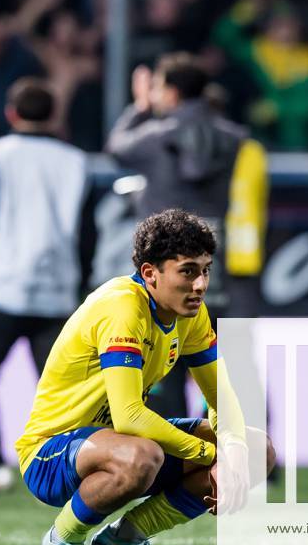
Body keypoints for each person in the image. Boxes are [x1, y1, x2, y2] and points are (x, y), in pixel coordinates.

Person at [17, 209, 274, 545]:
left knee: (257, 450)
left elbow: (221, 396)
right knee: (142, 455)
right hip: (50, 454)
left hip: (121, 443)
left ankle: (124, 540)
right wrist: (213, 455)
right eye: (188, 271)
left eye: (206, 270)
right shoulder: (123, 307)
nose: (200, 284)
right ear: (151, 273)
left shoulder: (190, 313)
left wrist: (233, 449)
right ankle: (61, 540)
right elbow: (130, 416)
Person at [0, 78, 95, 503]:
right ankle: (75, 468)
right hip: (57, 292)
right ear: (54, 115)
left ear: (11, 113)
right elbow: (88, 233)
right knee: (62, 391)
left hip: (3, 287)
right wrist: (82, 283)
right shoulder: (76, 161)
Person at [105, 52, 246, 419]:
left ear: (171, 92)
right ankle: (237, 441)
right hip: (212, 262)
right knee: (218, 357)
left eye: (157, 87)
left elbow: (117, 147)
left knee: (164, 361)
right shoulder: (232, 137)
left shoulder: (156, 136)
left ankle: (180, 444)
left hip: (166, 264)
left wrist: (139, 108)